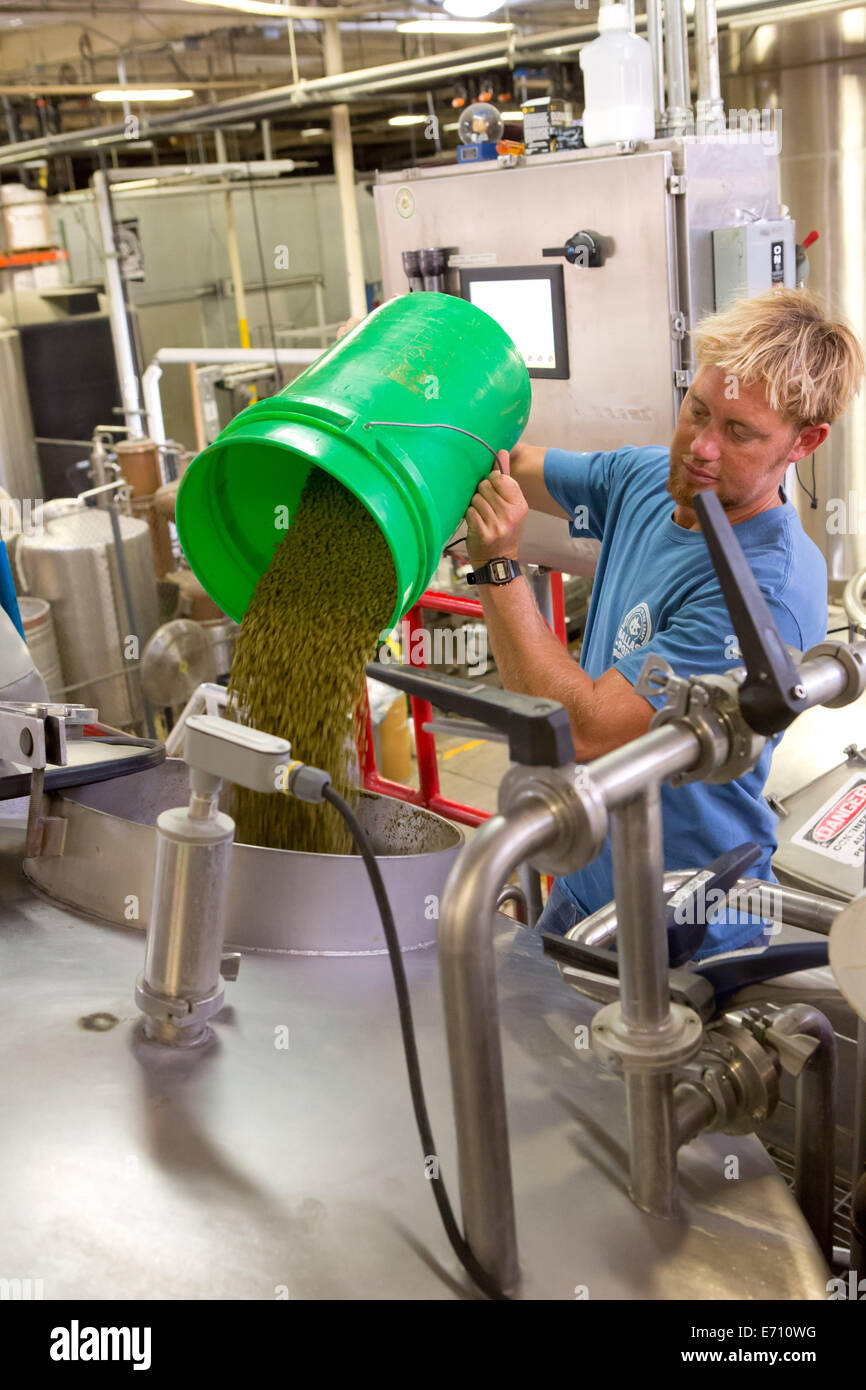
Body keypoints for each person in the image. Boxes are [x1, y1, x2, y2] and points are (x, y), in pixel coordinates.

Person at [462, 288, 865, 956]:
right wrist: (420, 413)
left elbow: (587, 728)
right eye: (697, 411)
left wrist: (497, 568)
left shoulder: (766, 582)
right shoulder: (648, 478)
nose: (700, 447)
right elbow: (513, 467)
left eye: (739, 433)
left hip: (682, 918)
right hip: (583, 884)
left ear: (805, 442)